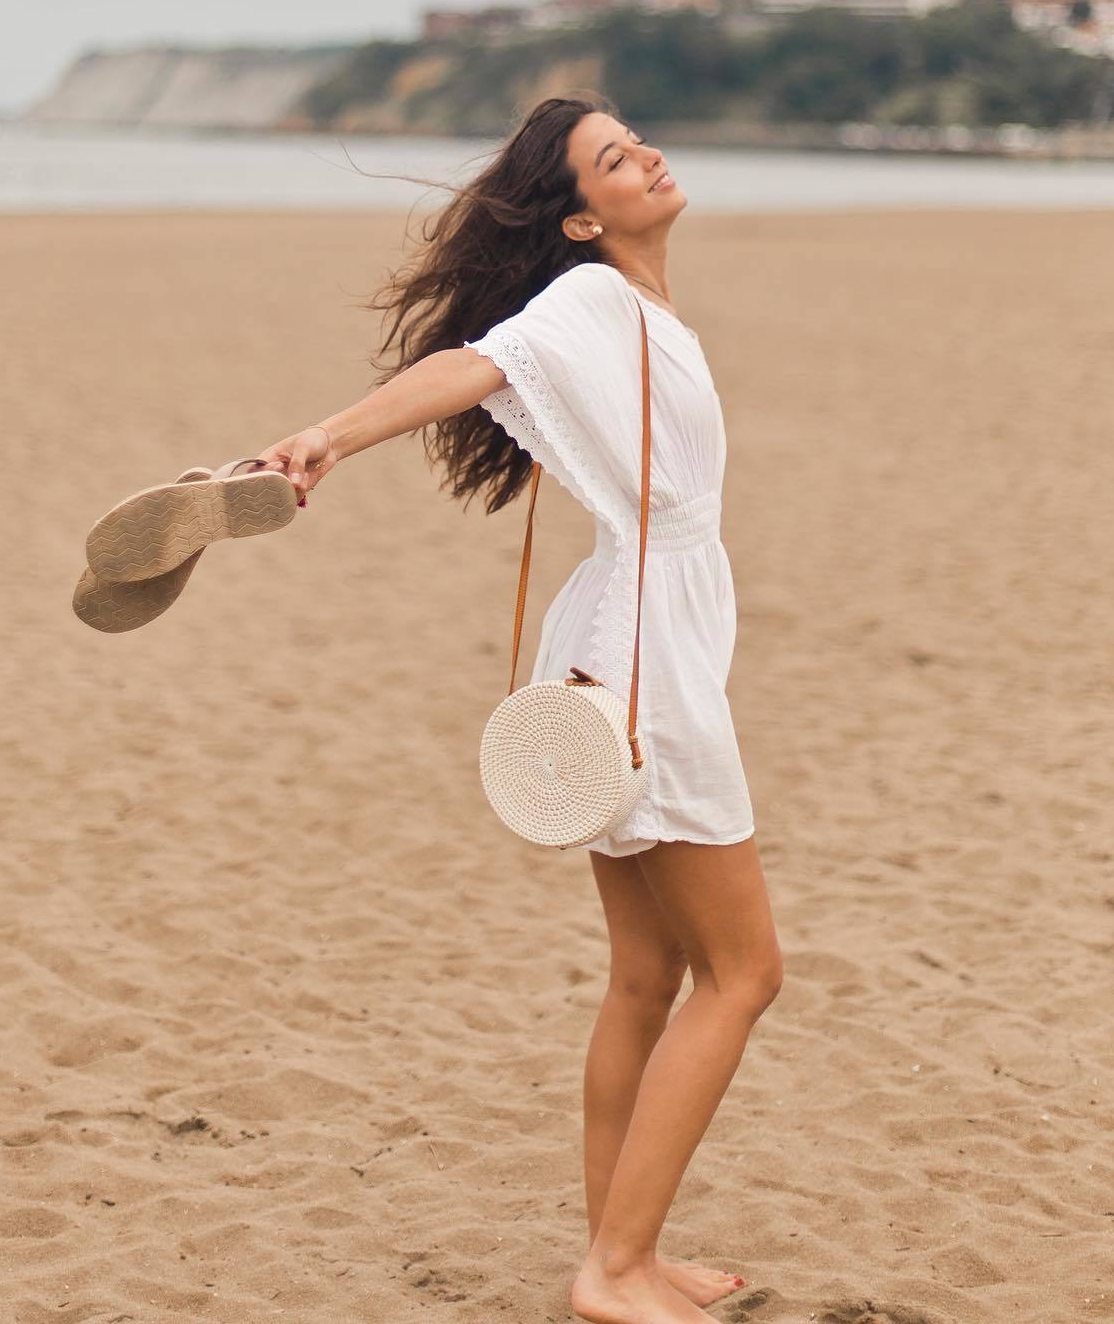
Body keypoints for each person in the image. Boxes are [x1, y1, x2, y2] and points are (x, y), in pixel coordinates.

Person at [260, 95, 785, 1324]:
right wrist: (331, 436)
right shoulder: (592, 304)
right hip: (646, 643)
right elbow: (476, 363)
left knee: (648, 972)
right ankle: (613, 1270)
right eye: (614, 160)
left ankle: (625, 1255)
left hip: (636, 628)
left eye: (635, 139)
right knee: (745, 974)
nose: (645, 155)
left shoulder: (640, 306)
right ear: (580, 218)